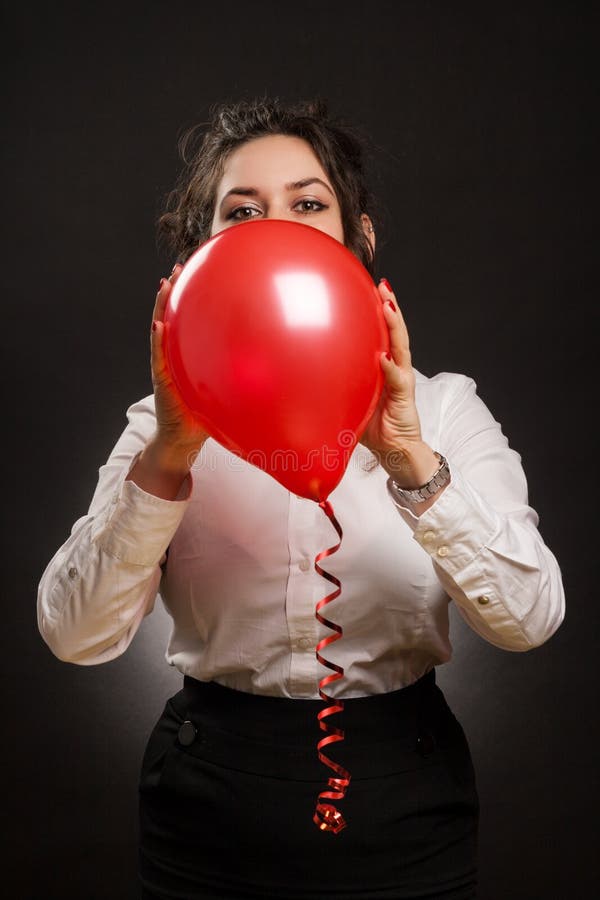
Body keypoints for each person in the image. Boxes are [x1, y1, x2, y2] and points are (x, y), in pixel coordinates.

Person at [37, 97, 565, 900]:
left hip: (407, 797)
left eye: (308, 203)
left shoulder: (448, 409)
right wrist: (170, 457)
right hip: (206, 801)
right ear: (201, 255)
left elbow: (529, 621)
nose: (274, 228)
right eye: (241, 210)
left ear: (361, 238)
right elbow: (73, 637)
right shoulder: (158, 425)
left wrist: (407, 457)